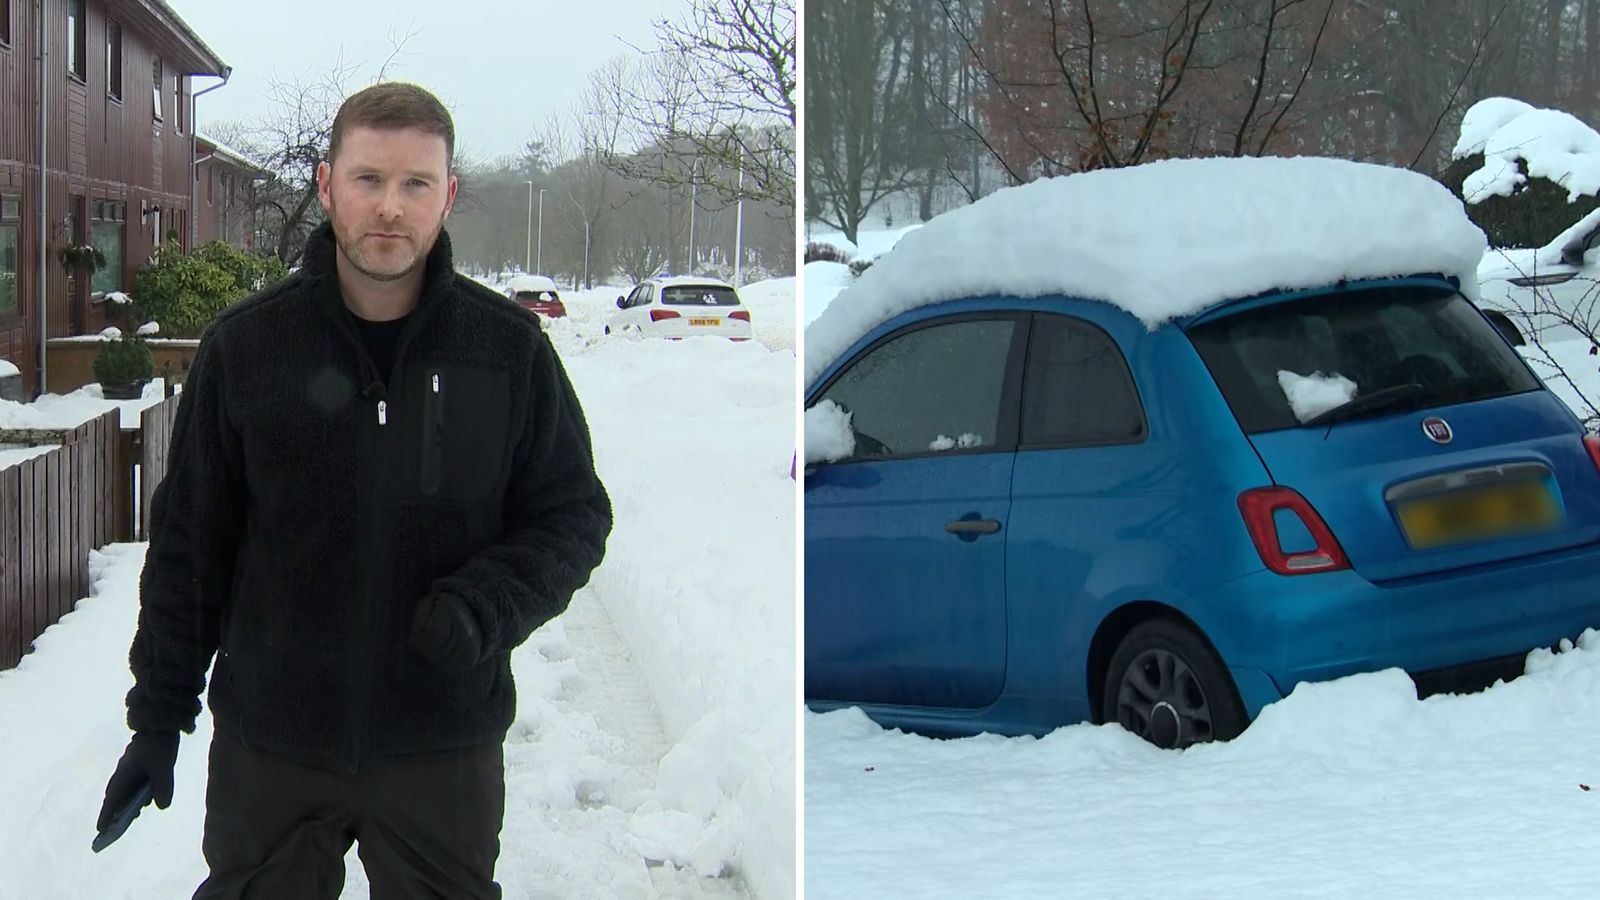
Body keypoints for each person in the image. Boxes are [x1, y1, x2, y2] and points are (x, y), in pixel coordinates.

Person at [95, 81, 612, 899]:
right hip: (274, 747)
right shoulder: (249, 349)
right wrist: (157, 719)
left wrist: (485, 606)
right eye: (368, 179)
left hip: (440, 746)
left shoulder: (506, 351)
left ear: (448, 194)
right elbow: (191, 548)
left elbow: (574, 516)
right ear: (326, 182)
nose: (390, 209)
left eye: (415, 184)